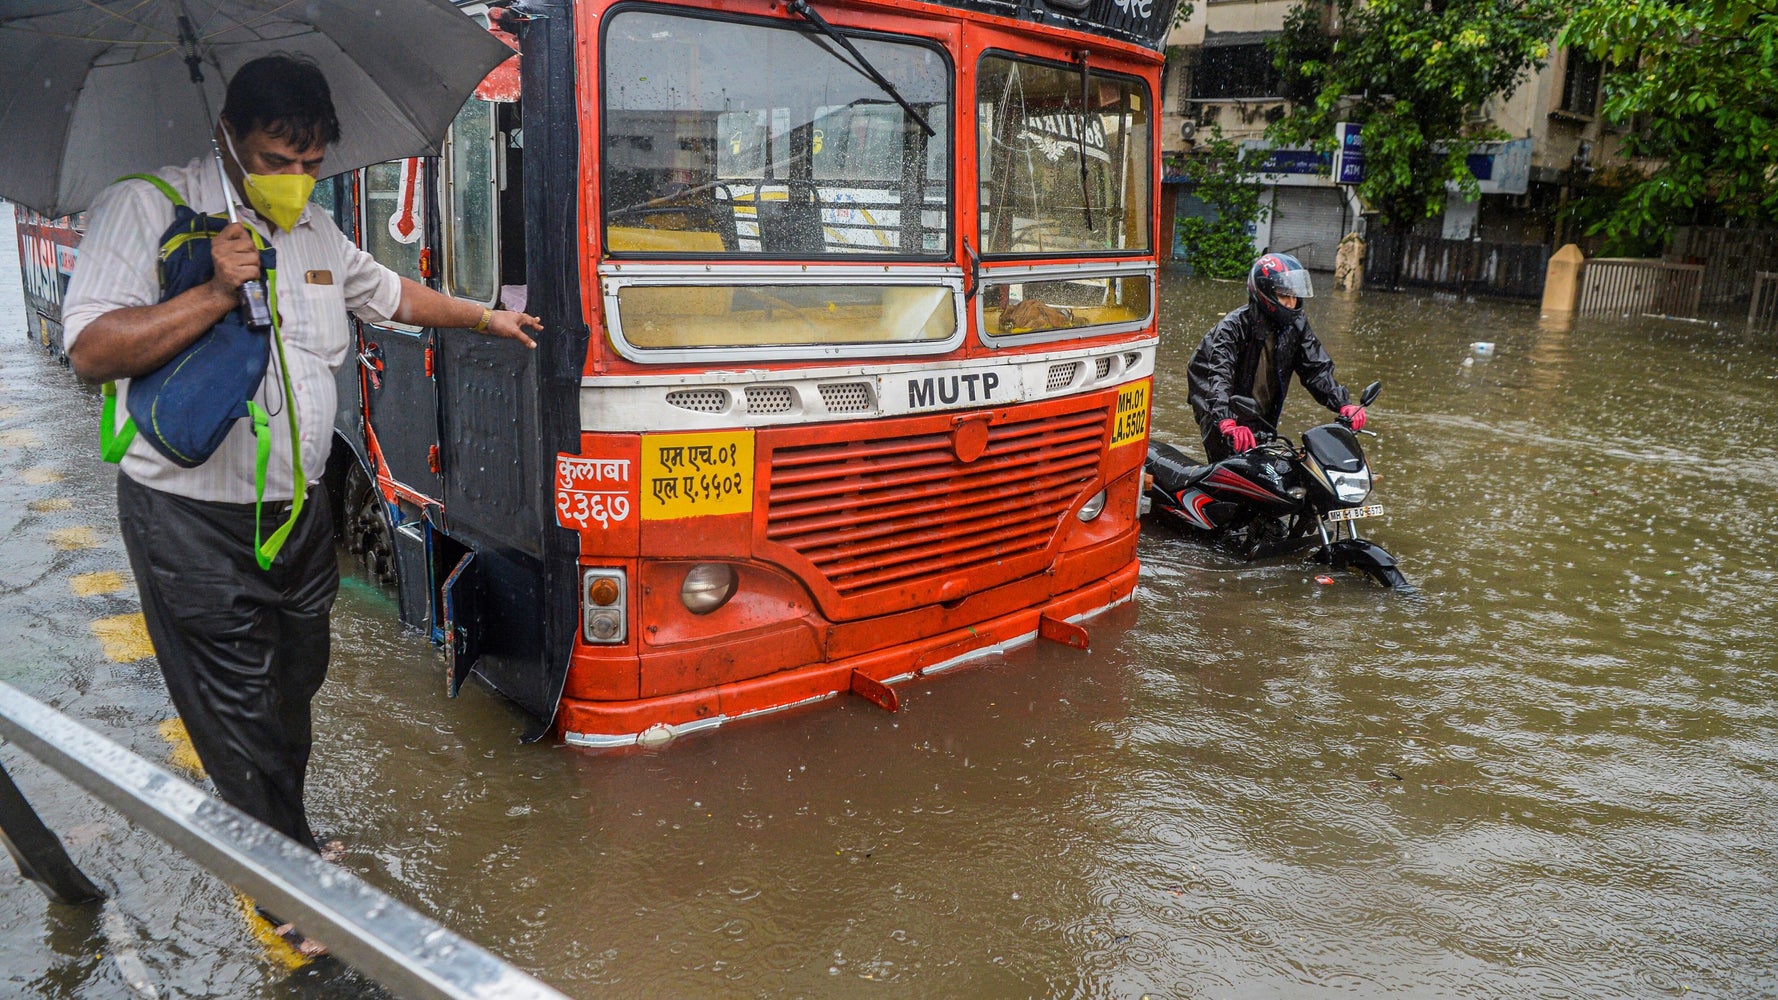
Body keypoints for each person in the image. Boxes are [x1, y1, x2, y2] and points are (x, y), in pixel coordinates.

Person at [61, 55, 541, 945]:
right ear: (227, 138)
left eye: (311, 163)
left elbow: (390, 294)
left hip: (296, 514)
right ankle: (290, 895)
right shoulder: (149, 206)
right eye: (277, 160)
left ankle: (284, 833)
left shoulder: (315, 230)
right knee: (236, 706)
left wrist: (485, 317)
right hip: (188, 519)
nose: (296, 179)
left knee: (293, 686)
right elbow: (91, 349)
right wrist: (215, 290)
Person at [1186, 252, 1366, 462]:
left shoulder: (1297, 324)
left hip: (1261, 411)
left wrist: (1343, 403)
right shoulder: (1232, 327)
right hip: (1217, 406)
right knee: (1230, 467)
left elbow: (1316, 368)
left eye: (1294, 296)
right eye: (1284, 296)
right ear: (1265, 294)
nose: (1291, 303)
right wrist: (1226, 420)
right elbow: (1218, 376)